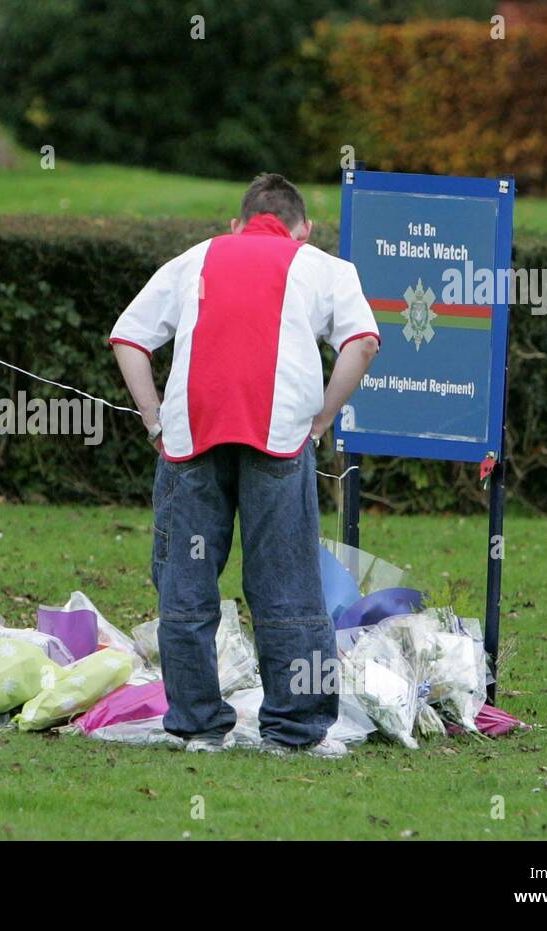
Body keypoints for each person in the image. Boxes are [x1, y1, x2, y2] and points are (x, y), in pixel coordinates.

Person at [110, 173, 381, 756]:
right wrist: (322, 419)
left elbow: (128, 338)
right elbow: (361, 342)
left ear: (235, 225)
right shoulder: (325, 267)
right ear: (303, 231)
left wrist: (154, 418)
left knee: (186, 585)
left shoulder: (195, 257)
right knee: (286, 582)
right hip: (279, 436)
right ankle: (294, 729)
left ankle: (199, 724)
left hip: (192, 438)